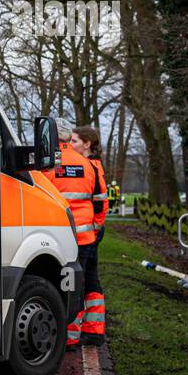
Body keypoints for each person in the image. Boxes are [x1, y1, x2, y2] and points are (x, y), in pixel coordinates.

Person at [42, 121, 99, 349]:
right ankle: (73, 336)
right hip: (85, 235)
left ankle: (62, 335)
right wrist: (96, 227)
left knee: (60, 284)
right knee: (78, 282)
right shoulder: (87, 164)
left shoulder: (47, 165)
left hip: (58, 235)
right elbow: (99, 201)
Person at [70, 126, 107, 344]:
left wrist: (94, 228)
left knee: (81, 280)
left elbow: (100, 200)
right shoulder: (93, 164)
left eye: (75, 141)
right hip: (93, 231)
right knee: (91, 278)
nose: (71, 145)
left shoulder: (90, 165)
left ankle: (75, 332)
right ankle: (94, 330)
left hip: (89, 233)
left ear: (87, 144)